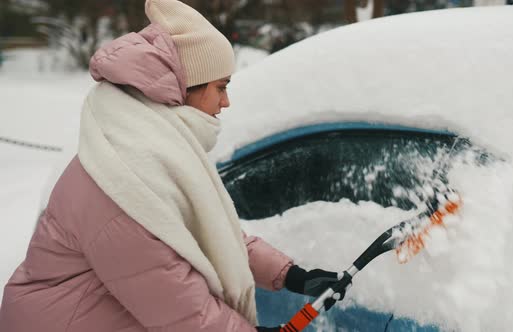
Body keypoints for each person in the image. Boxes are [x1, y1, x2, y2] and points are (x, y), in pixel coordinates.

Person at [0, 1, 345, 331]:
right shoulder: (123, 178)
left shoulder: (149, 154)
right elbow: (176, 301)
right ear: (184, 88)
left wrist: (292, 276)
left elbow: (209, 234)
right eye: (220, 87)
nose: (226, 102)